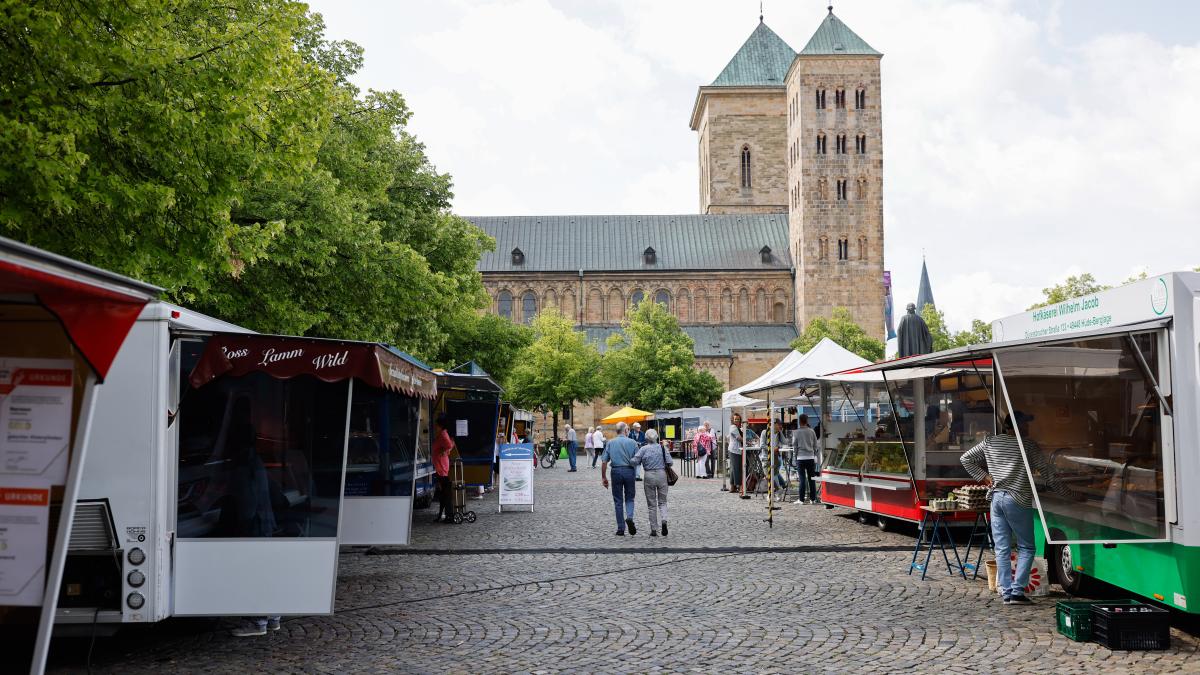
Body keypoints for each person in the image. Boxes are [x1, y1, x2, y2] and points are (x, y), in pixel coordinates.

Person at [960, 411, 1078, 605]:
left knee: (1002, 548)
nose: (1028, 428)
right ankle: (1016, 593)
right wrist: (1071, 495)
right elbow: (1048, 474)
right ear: (1020, 426)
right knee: (1027, 547)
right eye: (1026, 424)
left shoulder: (991, 441)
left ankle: (1006, 592)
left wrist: (984, 477)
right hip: (1017, 499)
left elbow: (966, 458)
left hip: (996, 499)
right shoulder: (1029, 446)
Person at [226, 400, 281, 637]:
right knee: (265, 570)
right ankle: (274, 616)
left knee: (252, 572)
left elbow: (247, 504)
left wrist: (241, 525)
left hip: (254, 526)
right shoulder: (256, 461)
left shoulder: (242, 465)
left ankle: (257, 621)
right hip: (265, 522)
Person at [630, 428, 673, 536]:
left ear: (646, 438)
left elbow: (634, 461)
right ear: (656, 437)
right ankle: (664, 520)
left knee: (651, 504)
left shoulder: (643, 449)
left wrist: (628, 458)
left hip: (649, 476)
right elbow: (670, 462)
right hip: (662, 475)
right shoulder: (662, 448)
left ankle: (654, 529)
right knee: (663, 502)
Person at [600, 422, 639, 535]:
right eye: (628, 429)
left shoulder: (610, 443)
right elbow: (637, 460)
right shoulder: (633, 442)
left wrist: (603, 477)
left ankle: (621, 528)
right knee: (630, 498)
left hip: (616, 471)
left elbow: (604, 461)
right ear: (625, 430)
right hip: (629, 471)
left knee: (618, 500)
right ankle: (630, 517)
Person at [432, 414, 455, 524]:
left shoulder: (443, 434)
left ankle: (447, 515)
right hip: (441, 467)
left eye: (437, 424)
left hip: (441, 468)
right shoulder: (442, 434)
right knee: (443, 494)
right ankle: (443, 515)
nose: (435, 426)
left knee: (445, 493)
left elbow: (449, 445)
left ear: (440, 425)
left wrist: (443, 451)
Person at [792, 414, 819, 504]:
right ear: (807, 421)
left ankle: (801, 499)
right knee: (812, 478)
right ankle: (813, 499)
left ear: (799, 421)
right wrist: (814, 454)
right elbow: (816, 445)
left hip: (800, 457)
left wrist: (795, 457)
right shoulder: (812, 431)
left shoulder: (796, 432)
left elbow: (794, 446)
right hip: (810, 457)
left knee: (802, 479)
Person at [728, 413, 744, 495]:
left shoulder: (738, 428)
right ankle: (740, 486)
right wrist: (747, 442)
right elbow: (739, 438)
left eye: (738, 419)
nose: (737, 420)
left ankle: (732, 487)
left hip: (736, 450)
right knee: (737, 468)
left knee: (733, 469)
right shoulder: (733, 427)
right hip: (734, 450)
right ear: (733, 420)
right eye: (735, 419)